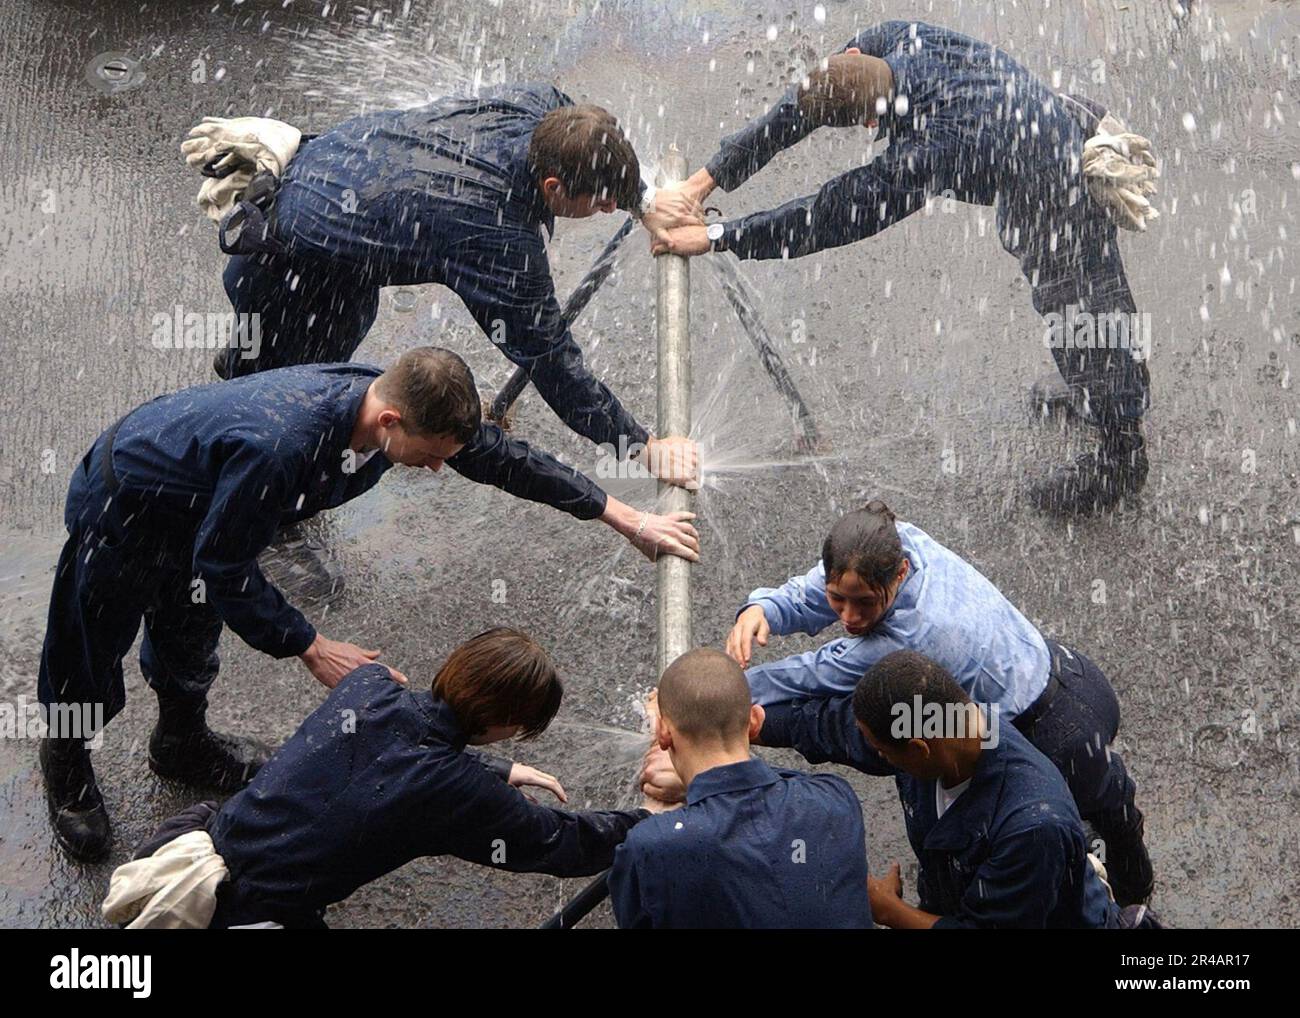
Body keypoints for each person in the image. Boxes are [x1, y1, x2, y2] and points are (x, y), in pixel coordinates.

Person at [38, 347, 698, 862]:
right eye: (432, 457)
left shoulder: (390, 404)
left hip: (213, 504)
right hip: (129, 508)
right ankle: (66, 766)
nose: (439, 469)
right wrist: (308, 645)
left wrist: (618, 515)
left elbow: (500, 459)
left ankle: (180, 742)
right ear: (390, 422)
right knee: (89, 652)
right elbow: (225, 565)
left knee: (189, 633)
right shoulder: (283, 446)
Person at [655, 20, 1156, 514]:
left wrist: (720, 236)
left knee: (1082, 306)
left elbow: (827, 217)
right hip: (1039, 120)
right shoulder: (897, 38)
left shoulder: (934, 147)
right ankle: (1095, 390)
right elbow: (797, 108)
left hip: (1057, 183)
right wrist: (705, 182)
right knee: (1077, 310)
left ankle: (1121, 455)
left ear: (870, 123)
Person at [652, 499, 1151, 904]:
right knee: (1110, 809)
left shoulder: (914, 639)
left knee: (1053, 843)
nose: (848, 616)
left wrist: (700, 708)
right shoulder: (897, 540)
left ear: (899, 574)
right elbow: (821, 586)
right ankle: (1124, 877)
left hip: (1051, 731)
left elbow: (811, 677)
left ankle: (1125, 906)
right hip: (1067, 673)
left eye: (864, 604)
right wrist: (765, 607)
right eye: (837, 600)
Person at [207, 83, 700, 485]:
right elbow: (549, 358)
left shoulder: (542, 112)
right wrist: (641, 447)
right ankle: (269, 519)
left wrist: (643, 200)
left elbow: (593, 138)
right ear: (553, 187)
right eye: (599, 202)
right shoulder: (490, 232)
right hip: (289, 268)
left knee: (319, 349)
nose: (607, 210)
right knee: (294, 409)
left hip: (335, 213)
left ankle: (249, 358)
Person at [102, 629, 655, 929]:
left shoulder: (368, 685)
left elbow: (388, 750)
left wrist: (498, 768)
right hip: (253, 912)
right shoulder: (458, 793)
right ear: (508, 724)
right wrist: (654, 822)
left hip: (189, 843)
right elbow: (557, 843)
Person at [757, 651, 1158, 929]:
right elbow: (835, 730)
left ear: (917, 749)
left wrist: (888, 909)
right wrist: (754, 723)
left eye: (881, 751)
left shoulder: (1032, 826)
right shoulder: (936, 721)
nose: (874, 753)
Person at [609, 648, 871, 929]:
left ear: (663, 733)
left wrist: (696, 786)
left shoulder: (650, 847)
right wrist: (705, 785)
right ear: (755, 720)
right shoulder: (835, 799)